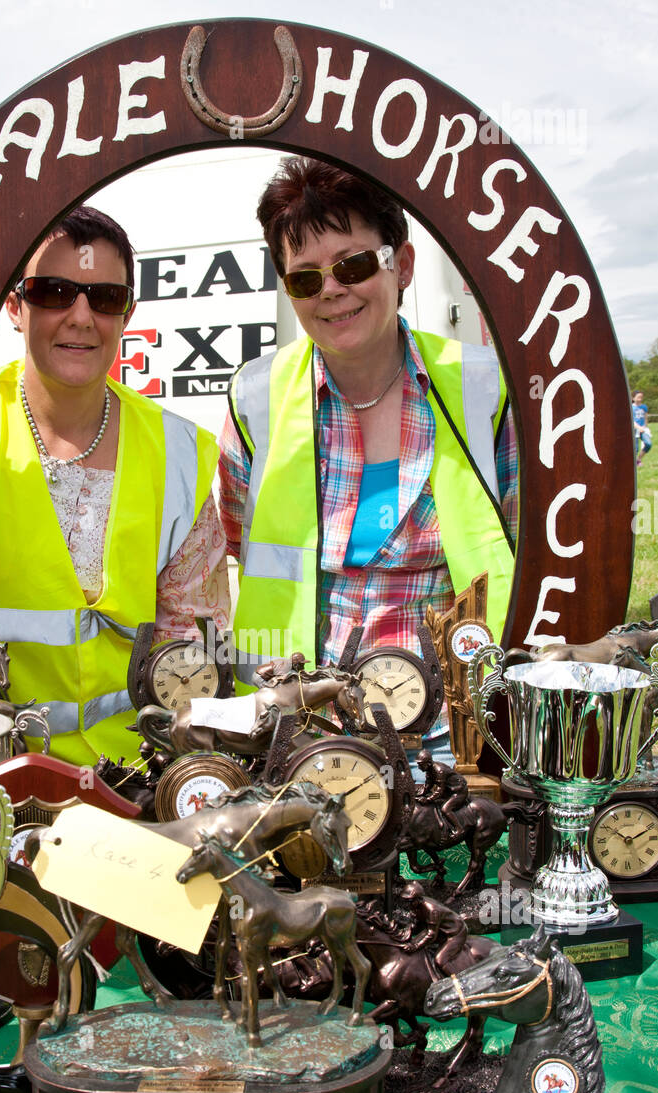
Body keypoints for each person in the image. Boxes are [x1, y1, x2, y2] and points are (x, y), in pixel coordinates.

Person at [218, 159, 518, 719]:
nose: (331, 291)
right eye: (305, 278)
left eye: (352, 265)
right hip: (300, 733)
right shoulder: (254, 399)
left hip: (467, 737)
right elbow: (239, 543)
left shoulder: (485, 389)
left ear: (401, 265)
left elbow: (528, 549)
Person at [0, 206, 229, 765]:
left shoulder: (177, 451)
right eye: (54, 291)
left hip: (139, 772)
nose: (81, 317)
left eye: (105, 298)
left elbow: (203, 640)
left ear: (127, 312)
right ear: (15, 306)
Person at [416, 748, 469, 836]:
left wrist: (428, 799)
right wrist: (419, 794)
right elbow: (427, 786)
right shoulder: (429, 771)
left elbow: (439, 790)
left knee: (445, 809)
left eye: (421, 765)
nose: (419, 767)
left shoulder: (439, 771)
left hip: (458, 791)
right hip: (448, 790)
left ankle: (459, 828)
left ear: (428, 763)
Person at [632, 390, 652, 464]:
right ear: (633, 398)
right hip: (634, 430)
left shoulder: (644, 407)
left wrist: (645, 427)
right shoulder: (631, 407)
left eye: (641, 397)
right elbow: (631, 420)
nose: (640, 399)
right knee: (635, 448)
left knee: (648, 444)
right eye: (638, 397)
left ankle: (638, 459)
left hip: (643, 429)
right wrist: (638, 428)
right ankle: (633, 463)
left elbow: (645, 418)